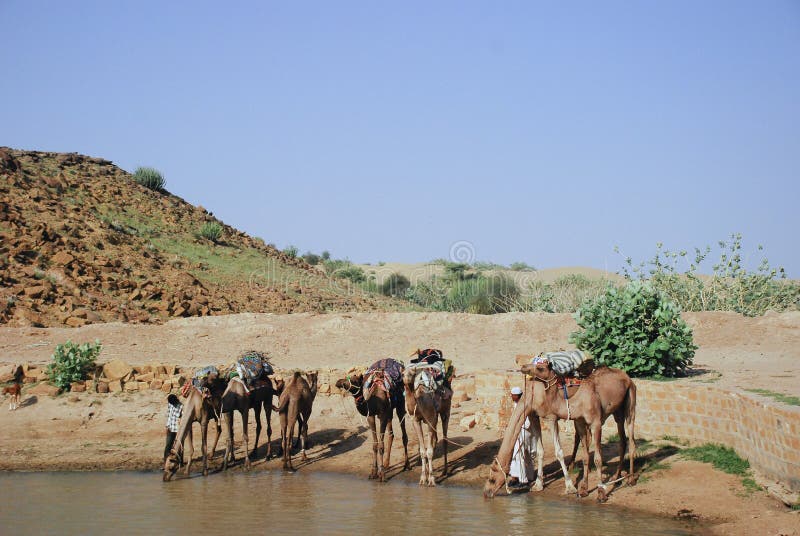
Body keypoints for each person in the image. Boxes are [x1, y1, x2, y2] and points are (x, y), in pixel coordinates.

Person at [508, 386, 535, 489]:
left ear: (516, 396)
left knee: (520, 455)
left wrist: (518, 427)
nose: (511, 396)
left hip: (524, 432)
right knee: (518, 456)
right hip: (518, 433)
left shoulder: (525, 406)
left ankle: (523, 480)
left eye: (512, 395)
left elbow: (527, 422)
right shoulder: (516, 405)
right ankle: (519, 477)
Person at [164, 394, 183, 462]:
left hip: (178, 430)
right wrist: (167, 426)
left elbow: (182, 419)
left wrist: (180, 431)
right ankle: (166, 461)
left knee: (179, 447)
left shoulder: (181, 406)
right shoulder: (170, 404)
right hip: (170, 428)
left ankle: (180, 462)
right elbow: (169, 416)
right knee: (168, 446)